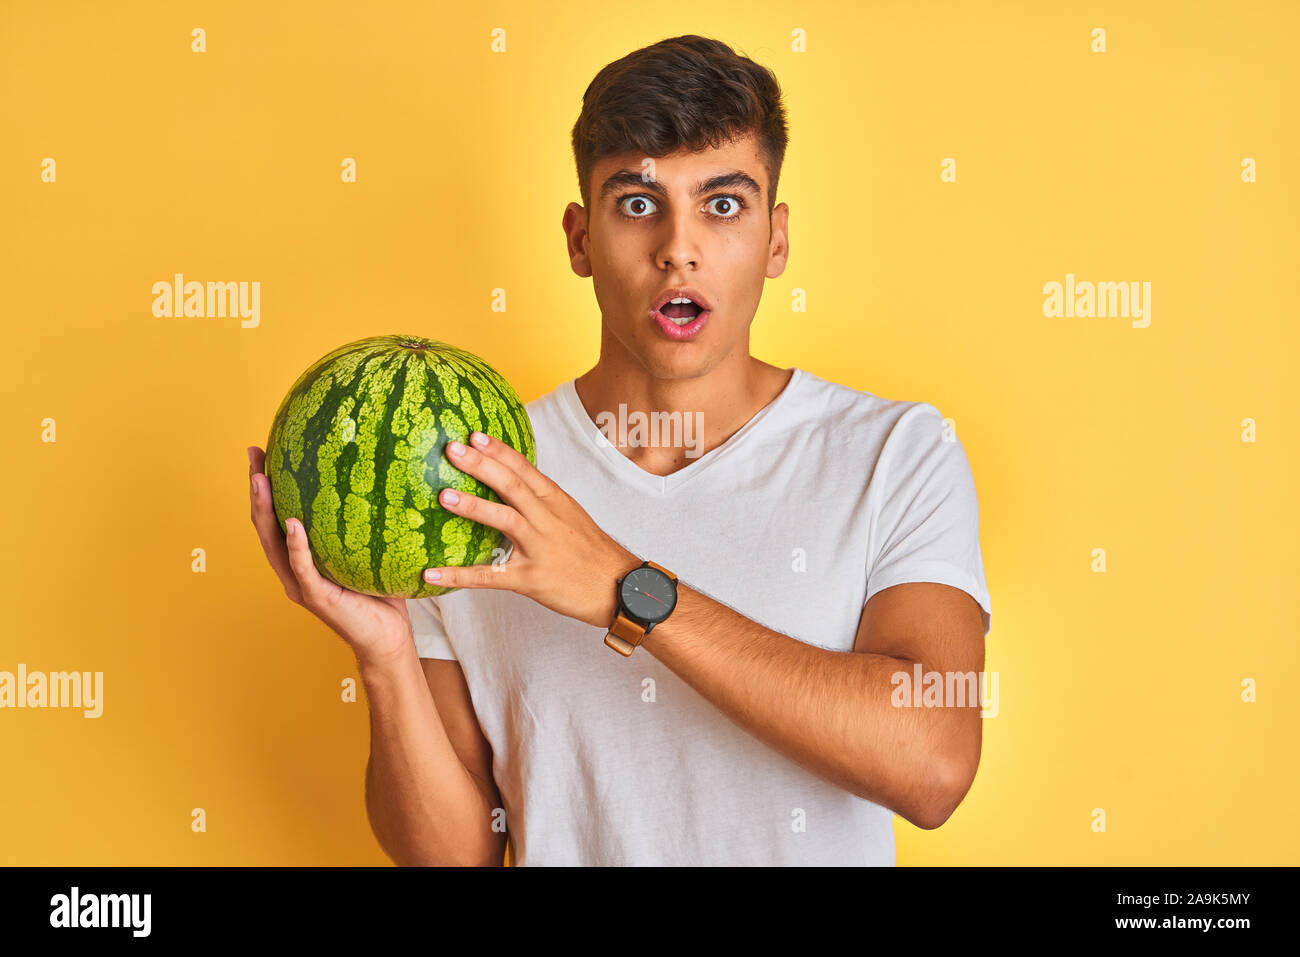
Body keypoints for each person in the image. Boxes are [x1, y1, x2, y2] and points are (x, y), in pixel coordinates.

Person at [248, 34, 992, 866]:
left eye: (723, 204)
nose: (679, 247)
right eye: (638, 203)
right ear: (579, 238)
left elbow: (934, 762)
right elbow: (454, 856)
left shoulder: (895, 452)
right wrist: (383, 652)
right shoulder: (474, 474)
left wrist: (620, 587)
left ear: (777, 240)